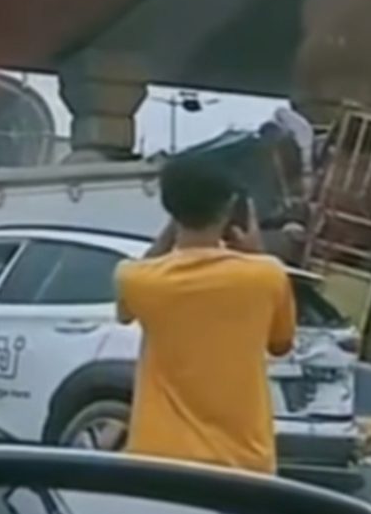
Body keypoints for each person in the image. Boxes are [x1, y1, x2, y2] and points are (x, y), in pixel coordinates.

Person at [115, 154, 297, 475]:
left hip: (158, 457)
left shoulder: (136, 279)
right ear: (229, 208)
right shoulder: (267, 275)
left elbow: (125, 311)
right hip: (243, 461)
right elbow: (280, 344)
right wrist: (255, 251)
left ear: (170, 209)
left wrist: (172, 227)